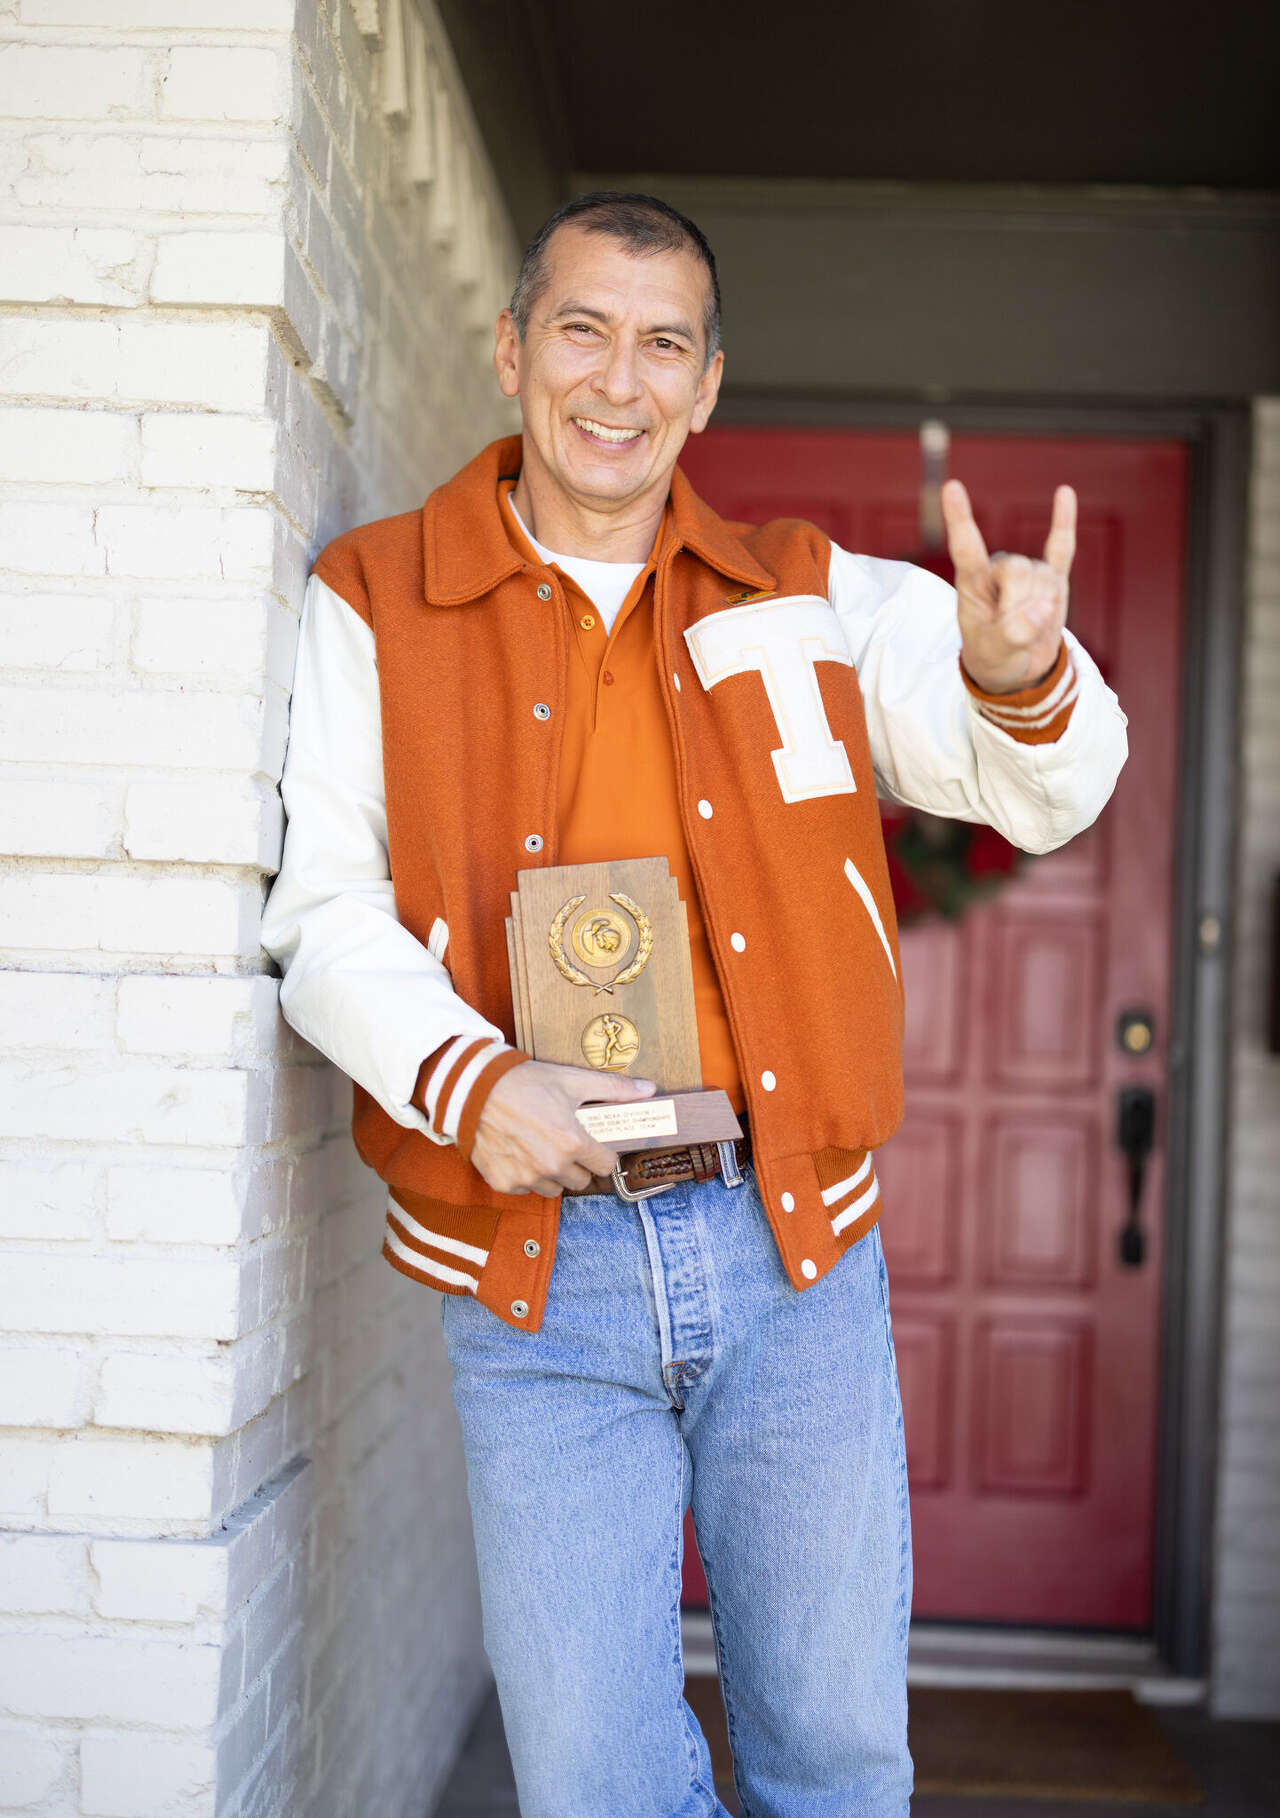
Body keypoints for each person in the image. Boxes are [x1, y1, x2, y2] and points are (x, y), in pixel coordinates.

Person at [260, 191, 1127, 1818]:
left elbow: (1042, 786)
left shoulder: (809, 595)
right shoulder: (376, 596)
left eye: (664, 343)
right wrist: (472, 1081)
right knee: (594, 1785)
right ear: (512, 349)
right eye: (582, 329)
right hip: (539, 1274)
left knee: (836, 1764)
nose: (619, 379)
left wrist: (1016, 671)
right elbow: (324, 914)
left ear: (709, 384)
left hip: (794, 1249)